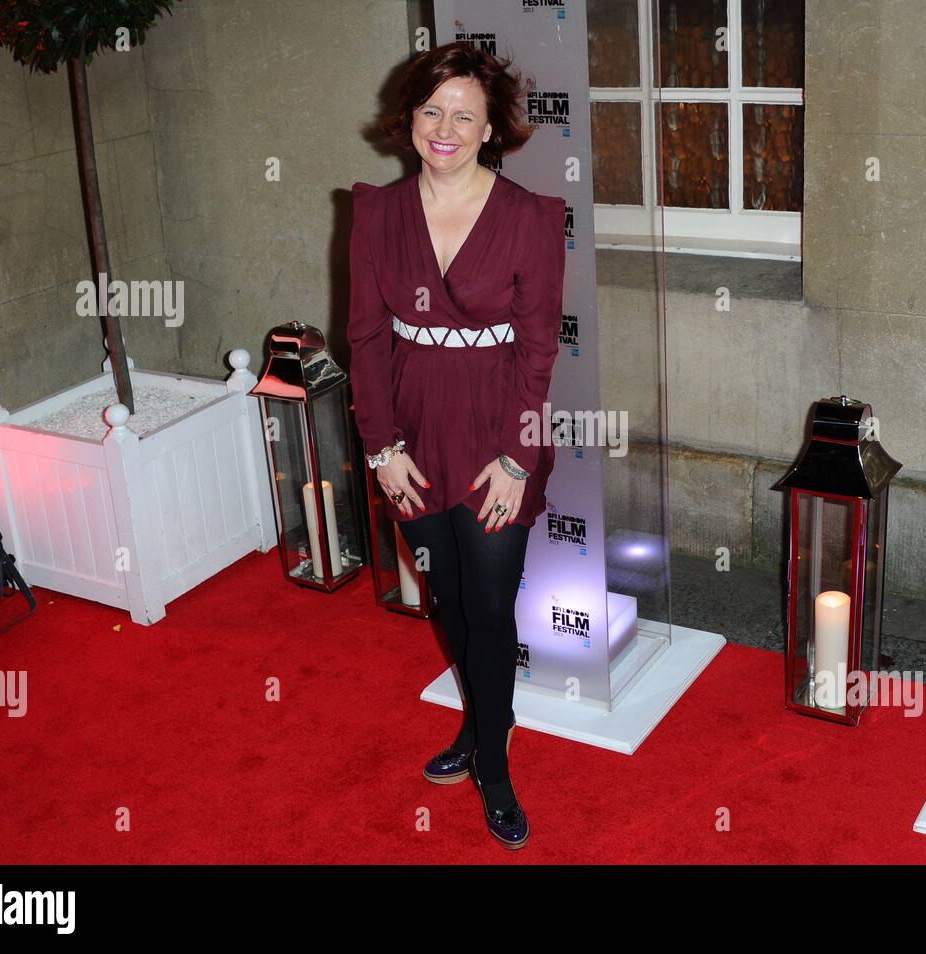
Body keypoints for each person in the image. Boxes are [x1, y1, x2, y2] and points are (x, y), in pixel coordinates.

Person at [347, 41, 567, 850]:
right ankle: (476, 729)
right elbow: (366, 340)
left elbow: (539, 349)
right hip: (409, 435)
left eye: (463, 115)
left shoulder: (531, 219)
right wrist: (380, 447)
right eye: (432, 110)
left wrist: (516, 457)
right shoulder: (375, 213)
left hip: (494, 434)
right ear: (408, 120)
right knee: (446, 598)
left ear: (489, 129)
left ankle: (495, 763)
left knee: (488, 604)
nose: (445, 128)